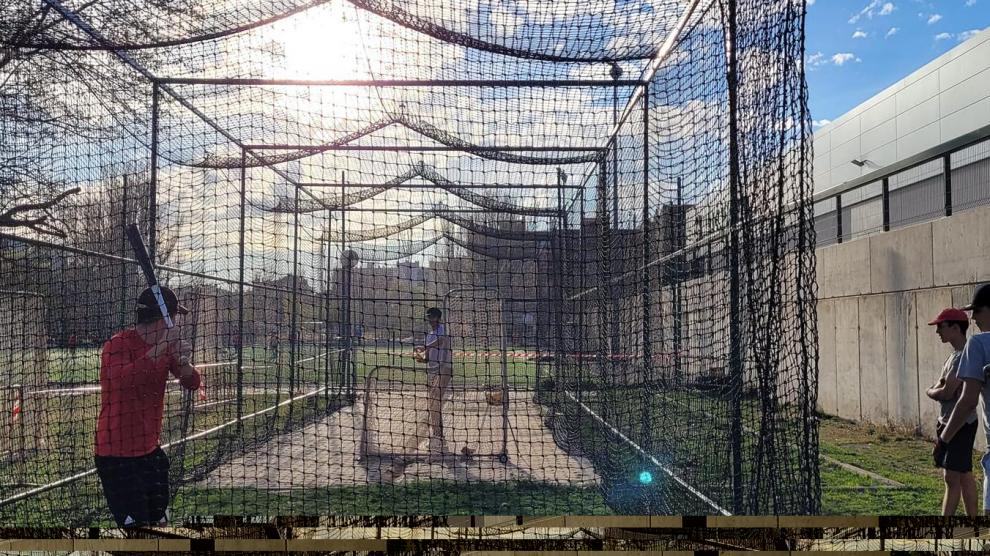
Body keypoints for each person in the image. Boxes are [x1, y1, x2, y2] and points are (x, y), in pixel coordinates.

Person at [94, 286, 201, 528]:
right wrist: (163, 346)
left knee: (159, 521)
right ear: (164, 320)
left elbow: (193, 383)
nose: (176, 324)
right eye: (173, 318)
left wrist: (184, 361)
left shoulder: (166, 348)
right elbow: (123, 381)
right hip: (117, 456)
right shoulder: (118, 344)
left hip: (150, 451)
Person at [937, 283, 990, 515]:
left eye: (977, 311)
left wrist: (943, 440)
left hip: (962, 425)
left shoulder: (978, 344)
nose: (973, 318)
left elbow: (966, 399)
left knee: (954, 477)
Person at [385, 307, 453, 480]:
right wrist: (420, 356)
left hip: (444, 369)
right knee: (433, 405)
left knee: (435, 401)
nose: (430, 320)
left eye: (432, 317)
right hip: (433, 370)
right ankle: (439, 436)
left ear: (438, 317)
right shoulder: (429, 335)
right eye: (429, 317)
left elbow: (441, 341)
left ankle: (437, 439)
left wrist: (425, 346)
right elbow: (428, 356)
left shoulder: (443, 330)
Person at [925, 308, 978, 516]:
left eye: (941, 326)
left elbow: (946, 392)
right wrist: (941, 387)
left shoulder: (963, 356)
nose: (937, 331)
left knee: (951, 477)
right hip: (949, 421)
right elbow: (946, 388)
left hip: (960, 423)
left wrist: (930, 391)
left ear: (956, 328)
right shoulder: (954, 356)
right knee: (963, 475)